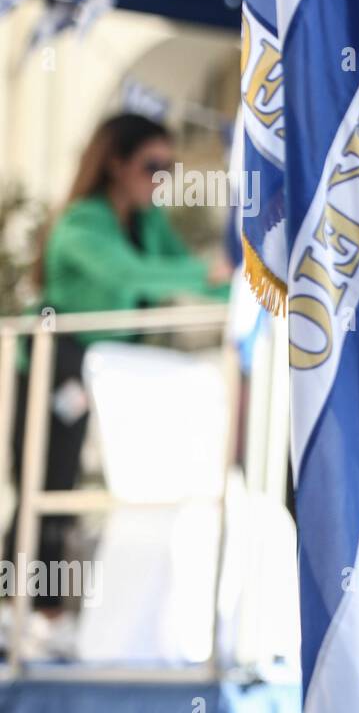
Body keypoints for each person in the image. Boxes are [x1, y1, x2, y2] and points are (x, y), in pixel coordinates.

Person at [4, 113, 229, 614]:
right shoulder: (82, 222)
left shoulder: (148, 223)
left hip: (117, 368)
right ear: (116, 163)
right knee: (48, 481)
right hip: (60, 362)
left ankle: (57, 609)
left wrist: (256, 284)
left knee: (121, 482)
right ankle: (23, 608)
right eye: (153, 165)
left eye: (171, 167)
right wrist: (211, 270)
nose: (163, 179)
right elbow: (138, 275)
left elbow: (198, 276)